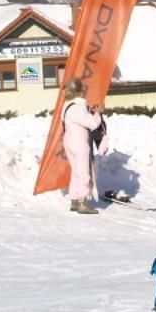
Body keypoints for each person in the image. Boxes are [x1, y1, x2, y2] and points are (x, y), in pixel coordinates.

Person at [62, 77, 107, 213]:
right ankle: (82, 202)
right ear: (81, 91)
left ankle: (74, 200)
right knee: (83, 171)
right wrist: (98, 112)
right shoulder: (77, 108)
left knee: (75, 171)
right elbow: (92, 124)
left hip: (69, 139)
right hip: (79, 140)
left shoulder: (67, 105)